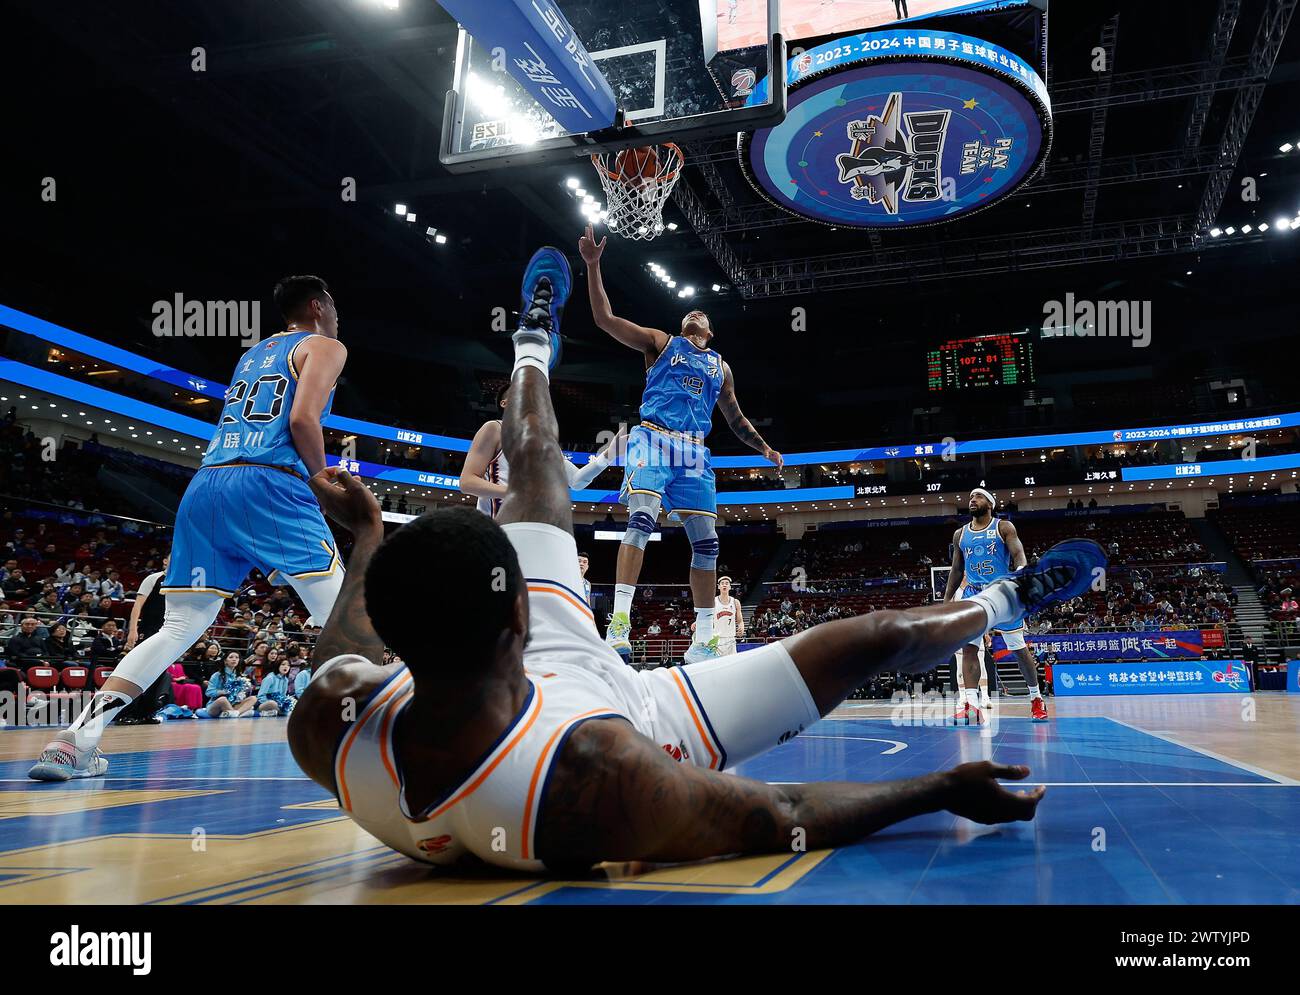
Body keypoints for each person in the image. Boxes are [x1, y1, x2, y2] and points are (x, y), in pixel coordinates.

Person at [287, 246, 1101, 874]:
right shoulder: (591, 774)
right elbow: (782, 808)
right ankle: (1007, 600)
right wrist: (932, 788)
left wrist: (365, 540)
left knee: (538, 460)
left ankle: (534, 336)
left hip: (541, 663)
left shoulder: (334, 714)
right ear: (519, 612)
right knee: (879, 636)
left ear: (392, 653)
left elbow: (338, 647)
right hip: (641, 713)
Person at [30, 275, 349, 780]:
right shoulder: (325, 345)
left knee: (178, 627)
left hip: (205, 486)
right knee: (341, 616)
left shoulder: (253, 355)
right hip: (268, 481)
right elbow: (303, 421)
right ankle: (365, 745)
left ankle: (76, 740)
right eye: (332, 304)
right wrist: (322, 481)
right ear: (316, 306)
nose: (337, 313)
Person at [579, 224, 782, 665]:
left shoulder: (721, 369)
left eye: (703, 314)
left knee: (707, 543)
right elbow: (604, 320)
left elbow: (735, 418)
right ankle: (618, 624)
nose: (695, 313)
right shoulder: (661, 343)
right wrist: (594, 267)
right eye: (689, 313)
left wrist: (764, 449)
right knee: (641, 521)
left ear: (710, 330)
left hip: (694, 451)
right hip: (653, 439)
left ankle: (703, 637)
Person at [942, 488, 1056, 725]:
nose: (972, 500)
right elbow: (956, 570)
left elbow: (1019, 555)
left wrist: (1021, 579)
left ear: (990, 504)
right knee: (970, 649)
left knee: (1018, 649)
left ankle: (1036, 699)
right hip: (975, 596)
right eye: (970, 496)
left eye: (979, 497)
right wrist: (946, 601)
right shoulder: (960, 534)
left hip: (1002, 594)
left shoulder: (1003, 527)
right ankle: (971, 705)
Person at [458, 384, 627, 518]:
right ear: (505, 402)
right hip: (499, 527)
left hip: (536, 526)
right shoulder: (495, 429)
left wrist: (608, 456)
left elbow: (577, 481)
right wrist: (514, 492)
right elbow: (467, 482)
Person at [714, 575, 744, 656]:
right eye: (722, 583)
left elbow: (740, 621)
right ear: (718, 587)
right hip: (716, 639)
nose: (724, 585)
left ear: (730, 587)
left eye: (727, 583)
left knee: (731, 665)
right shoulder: (713, 602)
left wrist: (741, 627)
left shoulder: (735, 602)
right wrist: (697, 622)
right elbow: (706, 616)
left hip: (731, 639)